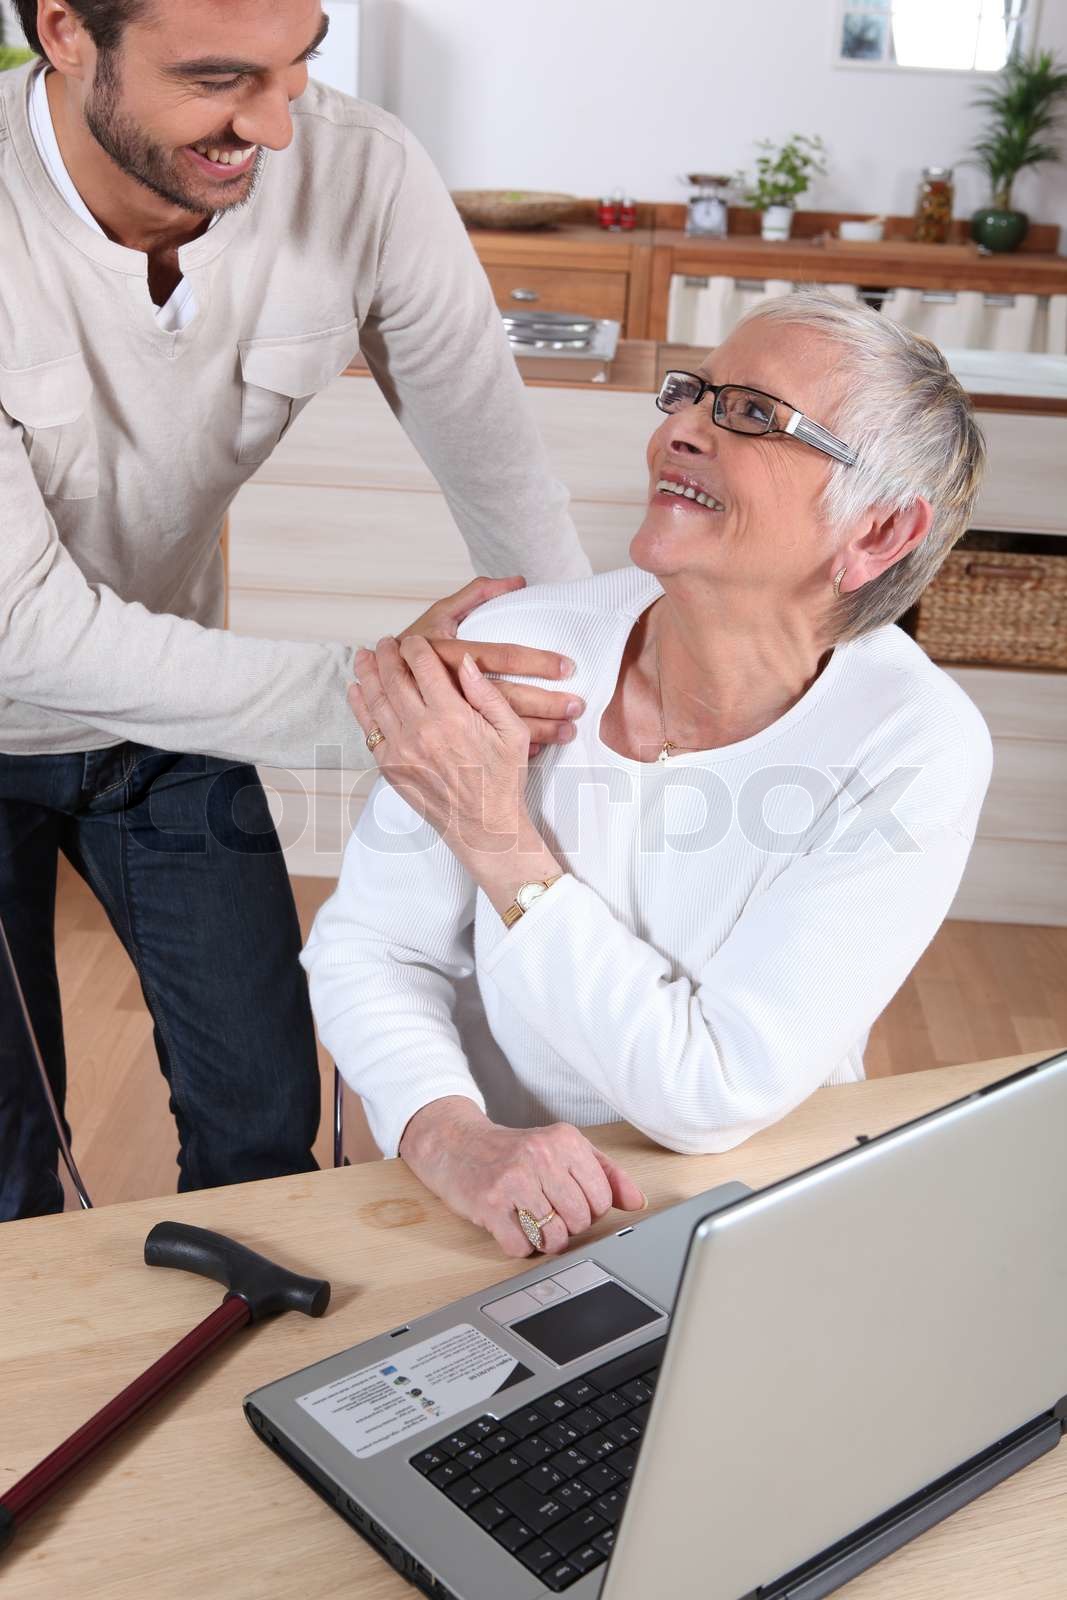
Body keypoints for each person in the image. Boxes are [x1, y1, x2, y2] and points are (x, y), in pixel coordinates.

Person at [0, 0, 592, 1220]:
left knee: (266, 1128)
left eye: (299, 62)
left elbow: (506, 485)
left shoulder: (361, 175)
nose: (276, 124)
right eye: (218, 77)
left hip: (171, 720)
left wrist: (584, 688)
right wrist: (395, 705)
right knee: (12, 1170)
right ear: (64, 30)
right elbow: (26, 627)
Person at [304, 291, 993, 1259]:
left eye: (751, 415)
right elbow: (369, 948)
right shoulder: (518, 647)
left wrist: (498, 840)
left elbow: (712, 1089)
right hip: (488, 1216)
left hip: (756, 1217)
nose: (678, 430)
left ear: (875, 533)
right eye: (689, 394)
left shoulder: (912, 745)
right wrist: (451, 1136)